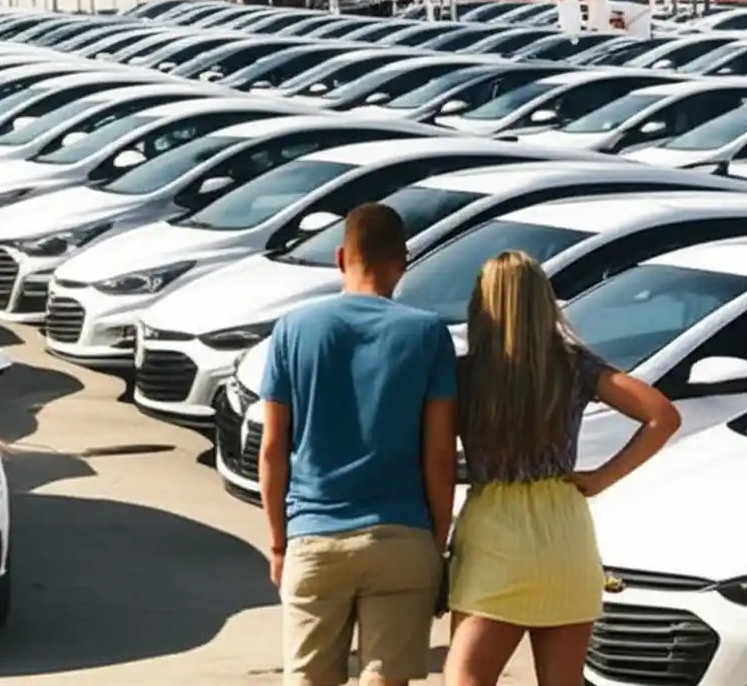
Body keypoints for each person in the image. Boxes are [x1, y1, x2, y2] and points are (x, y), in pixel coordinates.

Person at [444, 251, 681, 686]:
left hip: (495, 537)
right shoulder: (574, 366)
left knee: (467, 677)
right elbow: (662, 416)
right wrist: (601, 477)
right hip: (566, 536)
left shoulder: (464, 374)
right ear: (543, 302)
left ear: (481, 304)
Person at [259, 203, 459, 686]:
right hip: (401, 535)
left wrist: (278, 543)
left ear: (340, 256)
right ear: (402, 262)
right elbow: (440, 454)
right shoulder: (428, 333)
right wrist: (435, 538)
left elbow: (272, 448)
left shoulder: (293, 329)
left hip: (314, 533)